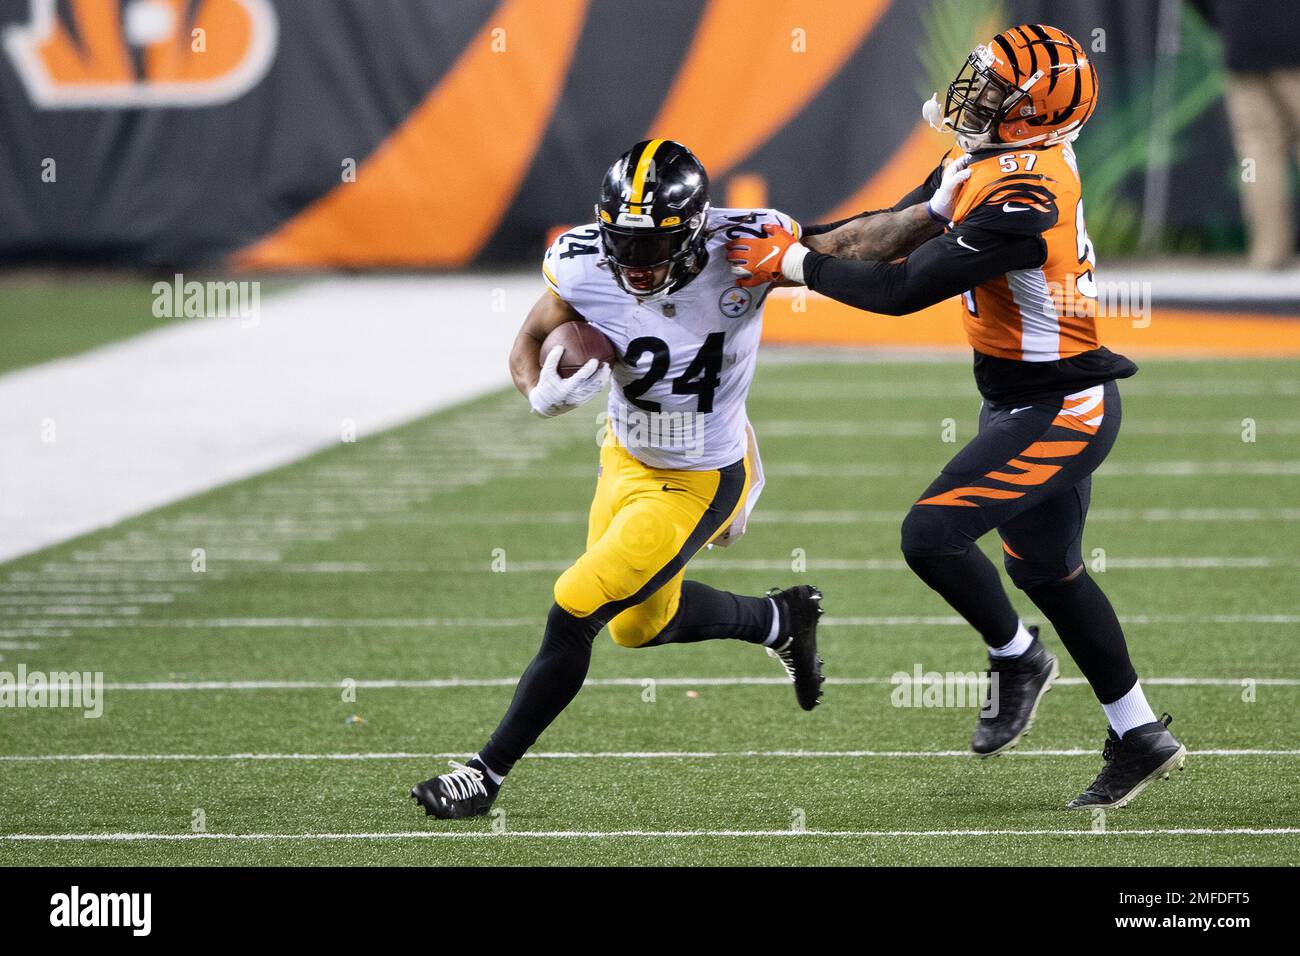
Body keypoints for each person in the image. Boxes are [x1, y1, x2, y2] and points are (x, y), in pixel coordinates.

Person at [726, 25, 1186, 810]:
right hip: (1019, 399)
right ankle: (1138, 732)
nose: (976, 94)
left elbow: (903, 289)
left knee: (931, 535)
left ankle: (1015, 657)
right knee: (1047, 571)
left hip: (1061, 407)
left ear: (1032, 113)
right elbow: (893, 232)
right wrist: (794, 244)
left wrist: (793, 266)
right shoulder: (986, 163)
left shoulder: (1024, 196)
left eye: (997, 88)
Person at [412, 140, 824, 820]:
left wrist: (935, 218)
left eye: (651, 247)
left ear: (692, 233)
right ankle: (783, 618)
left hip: (697, 476)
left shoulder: (747, 250)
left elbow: (856, 249)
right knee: (639, 627)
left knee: (576, 604)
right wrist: (536, 391)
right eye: (623, 244)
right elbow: (529, 340)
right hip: (624, 456)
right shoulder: (582, 263)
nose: (634, 263)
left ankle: (484, 774)